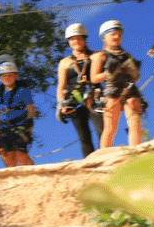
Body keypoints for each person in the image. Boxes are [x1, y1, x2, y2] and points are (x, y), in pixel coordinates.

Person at [90, 20, 143, 148]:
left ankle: (137, 152)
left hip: (129, 89)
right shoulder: (101, 56)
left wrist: (134, 73)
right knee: (110, 127)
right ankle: (104, 157)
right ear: (104, 37)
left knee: (135, 121)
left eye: (119, 34)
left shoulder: (127, 55)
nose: (117, 37)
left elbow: (135, 78)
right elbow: (94, 78)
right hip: (112, 91)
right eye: (113, 34)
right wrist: (108, 74)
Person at [56, 23, 104, 158]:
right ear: (69, 42)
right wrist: (61, 104)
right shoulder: (64, 62)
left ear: (84, 39)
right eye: (72, 39)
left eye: (79, 38)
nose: (76, 41)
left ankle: (106, 161)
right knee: (84, 136)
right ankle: (91, 165)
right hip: (74, 100)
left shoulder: (97, 56)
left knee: (102, 130)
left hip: (94, 97)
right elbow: (61, 85)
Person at [0, 59, 35, 167]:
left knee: (21, 155)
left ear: (16, 76)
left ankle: (33, 177)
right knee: (8, 158)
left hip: (20, 126)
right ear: (0, 78)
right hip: (4, 128)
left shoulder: (23, 91)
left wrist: (29, 123)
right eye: (4, 76)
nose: (7, 78)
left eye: (10, 75)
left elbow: (31, 109)